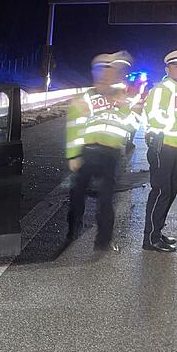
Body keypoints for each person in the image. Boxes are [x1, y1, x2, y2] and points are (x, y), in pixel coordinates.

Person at [66, 54, 135, 252]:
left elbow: (131, 126)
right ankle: (73, 231)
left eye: (109, 72)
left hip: (110, 154)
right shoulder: (85, 98)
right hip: (87, 152)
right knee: (77, 195)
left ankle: (103, 241)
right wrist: (73, 155)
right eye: (101, 71)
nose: (105, 76)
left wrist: (124, 107)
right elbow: (74, 127)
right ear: (94, 74)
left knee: (106, 200)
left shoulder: (121, 98)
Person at [142, 49, 177, 252]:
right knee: (161, 192)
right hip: (163, 146)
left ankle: (157, 232)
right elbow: (156, 117)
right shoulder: (163, 89)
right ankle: (150, 239)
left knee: (171, 193)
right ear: (167, 69)